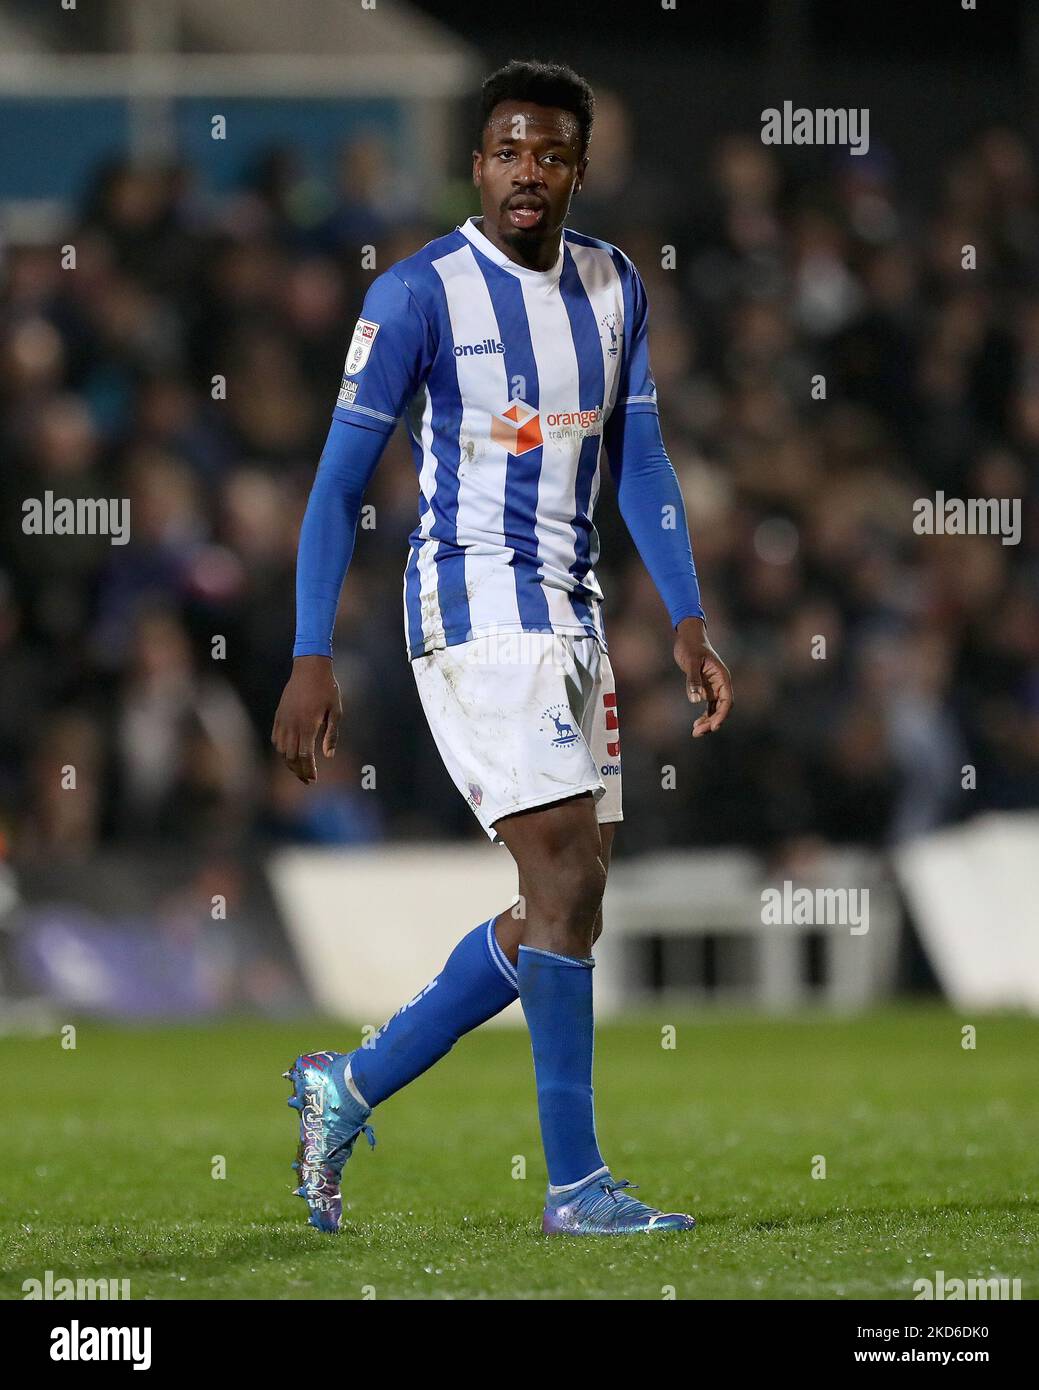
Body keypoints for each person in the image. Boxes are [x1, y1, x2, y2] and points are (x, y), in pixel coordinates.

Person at [272, 59, 733, 1236]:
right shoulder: (418, 293)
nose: (528, 173)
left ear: (580, 168)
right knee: (564, 876)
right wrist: (309, 650)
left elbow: (641, 459)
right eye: (507, 152)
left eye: (551, 154)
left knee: (561, 910)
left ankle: (350, 1083)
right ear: (475, 165)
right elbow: (334, 484)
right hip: (474, 613)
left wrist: (684, 615)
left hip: (573, 614)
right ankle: (576, 1187)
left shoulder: (617, 283)